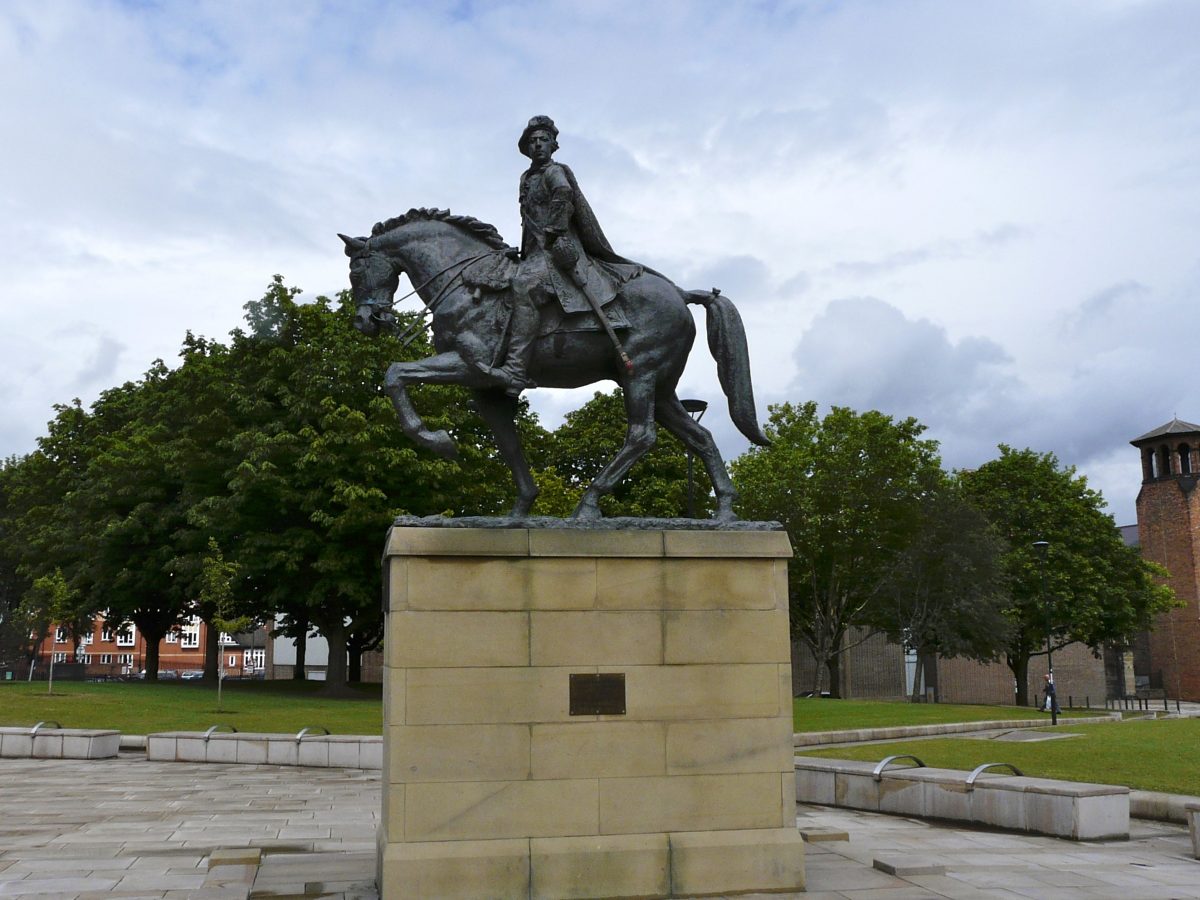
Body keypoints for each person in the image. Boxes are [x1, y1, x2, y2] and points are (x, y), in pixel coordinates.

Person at [484, 115, 641, 397]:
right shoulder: (526, 177)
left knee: (524, 286)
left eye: (543, 140)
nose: (538, 145)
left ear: (553, 145)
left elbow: (563, 192)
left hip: (557, 252)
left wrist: (555, 230)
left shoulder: (553, 172)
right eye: (532, 142)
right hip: (535, 253)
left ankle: (515, 369)